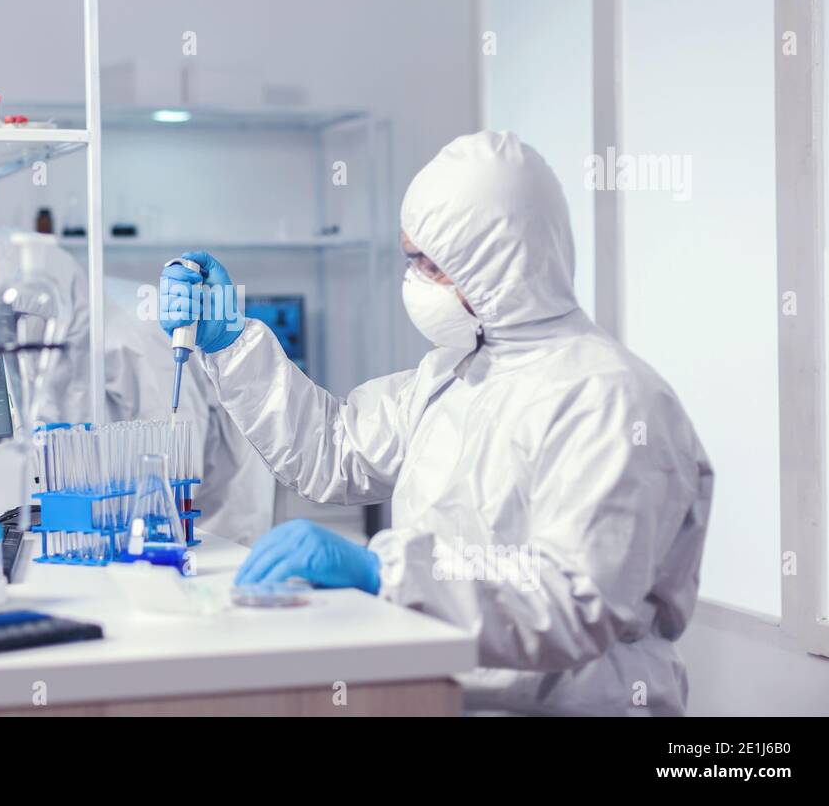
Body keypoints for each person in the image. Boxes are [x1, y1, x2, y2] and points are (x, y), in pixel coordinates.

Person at [159, 131, 713, 716]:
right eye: (410, 259)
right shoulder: (454, 372)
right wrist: (231, 344)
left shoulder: (609, 399)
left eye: (431, 265)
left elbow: (573, 603)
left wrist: (384, 572)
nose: (414, 281)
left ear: (499, 266)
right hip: (445, 694)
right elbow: (334, 450)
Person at [0, 230, 275, 541]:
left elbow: (173, 467)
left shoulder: (131, 338)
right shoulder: (63, 328)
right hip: (126, 524)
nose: (10, 338)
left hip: (214, 517)